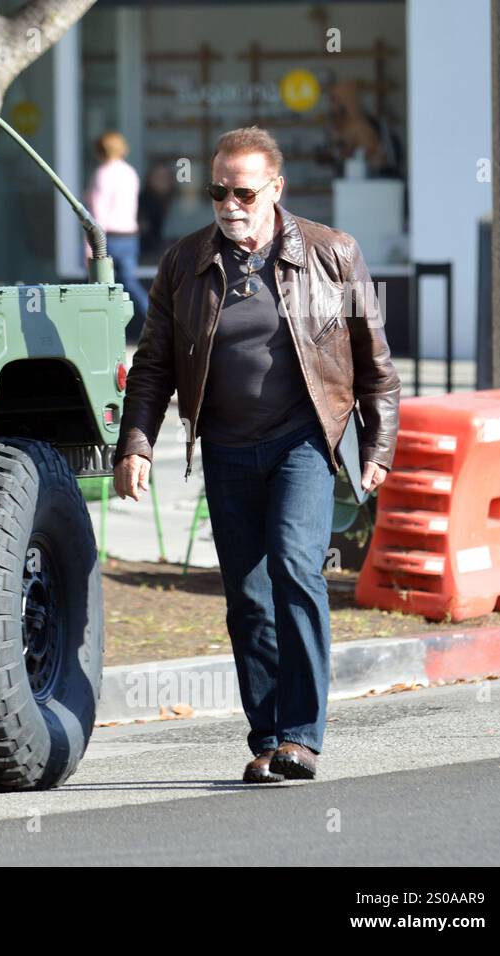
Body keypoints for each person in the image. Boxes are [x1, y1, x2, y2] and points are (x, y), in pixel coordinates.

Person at [111, 126, 401, 784]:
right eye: (218, 190)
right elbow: (153, 365)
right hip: (227, 448)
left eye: (243, 190)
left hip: (302, 440)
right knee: (245, 597)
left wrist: (379, 444)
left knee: (296, 572)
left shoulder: (336, 254)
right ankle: (269, 735)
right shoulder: (184, 264)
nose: (229, 203)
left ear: (276, 189)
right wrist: (138, 443)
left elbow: (375, 363)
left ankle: (301, 735)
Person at [85, 131, 147, 325]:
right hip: (129, 235)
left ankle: (104, 326)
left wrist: (90, 245)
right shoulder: (129, 172)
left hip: (109, 236)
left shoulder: (103, 174)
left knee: (102, 285)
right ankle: (154, 319)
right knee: (129, 281)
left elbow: (98, 213)